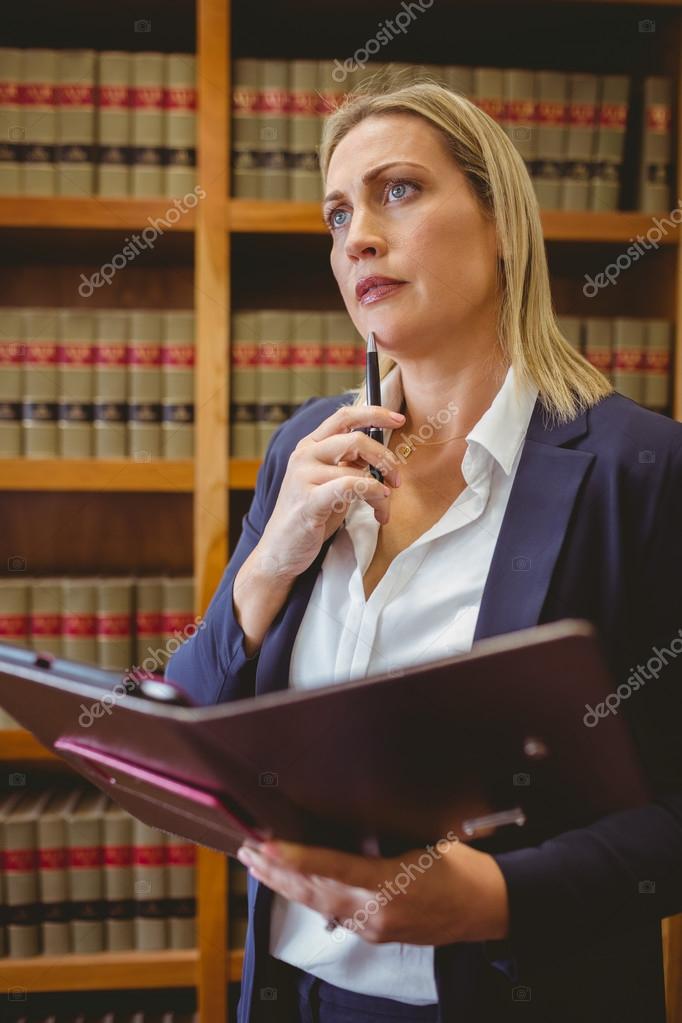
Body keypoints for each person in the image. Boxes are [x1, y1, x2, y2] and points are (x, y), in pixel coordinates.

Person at [164, 74, 682, 1023]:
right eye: (337, 214)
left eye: (396, 190)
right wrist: (270, 563)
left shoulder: (641, 470)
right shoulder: (302, 450)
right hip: (291, 997)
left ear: (500, 221)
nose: (356, 237)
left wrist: (499, 898)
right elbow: (192, 729)